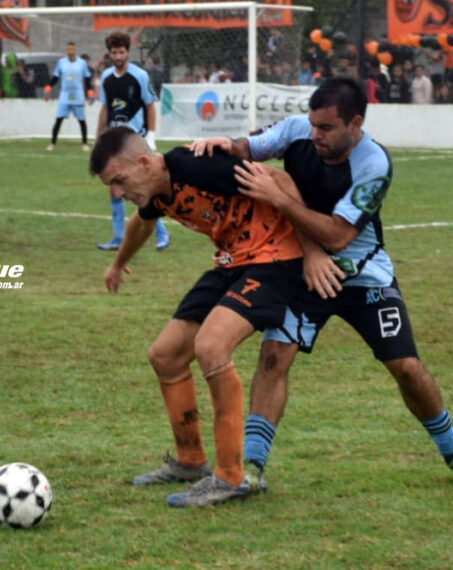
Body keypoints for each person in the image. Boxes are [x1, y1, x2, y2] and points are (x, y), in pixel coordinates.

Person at [190, 77, 453, 491]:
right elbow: (244, 150)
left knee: (406, 367)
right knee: (274, 356)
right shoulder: (299, 130)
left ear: (355, 123)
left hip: (363, 275)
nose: (315, 134)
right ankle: (253, 468)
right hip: (302, 269)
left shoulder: (374, 165)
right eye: (313, 124)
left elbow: (338, 237)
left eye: (327, 128)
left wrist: (280, 198)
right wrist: (221, 144)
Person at [90, 126, 306, 507]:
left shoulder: (197, 166)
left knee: (211, 346)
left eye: (119, 181)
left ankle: (231, 476)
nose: (117, 193)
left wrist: (315, 250)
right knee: (166, 355)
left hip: (275, 259)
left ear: (143, 162)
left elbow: (279, 179)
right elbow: (143, 222)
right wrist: (118, 264)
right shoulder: (156, 189)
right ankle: (191, 461)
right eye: (111, 186)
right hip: (232, 263)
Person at [95, 32, 169, 252]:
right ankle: (118, 236)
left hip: (135, 140)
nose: (118, 56)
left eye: (121, 52)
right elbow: (105, 108)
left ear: (128, 52)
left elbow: (150, 106)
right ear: (109, 53)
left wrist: (151, 136)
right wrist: (99, 138)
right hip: (113, 141)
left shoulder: (140, 76)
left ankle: (162, 232)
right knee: (114, 187)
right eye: (114, 52)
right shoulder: (107, 77)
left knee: (141, 188)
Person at [45, 42, 93, 152]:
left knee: (81, 120)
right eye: (68, 49)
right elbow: (55, 77)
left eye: (72, 49)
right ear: (67, 50)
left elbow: (87, 80)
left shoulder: (82, 63)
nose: (70, 51)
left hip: (78, 96)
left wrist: (90, 94)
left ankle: (84, 143)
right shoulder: (61, 62)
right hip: (65, 96)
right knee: (59, 119)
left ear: (75, 50)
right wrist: (48, 90)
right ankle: (53, 143)